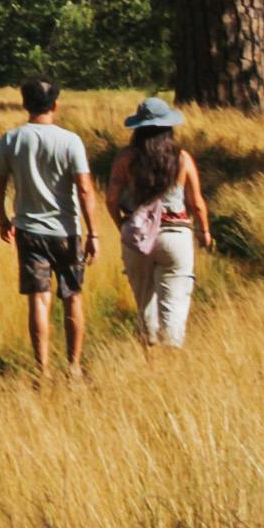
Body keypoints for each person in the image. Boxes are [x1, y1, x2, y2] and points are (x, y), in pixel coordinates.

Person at [0, 76, 96, 377]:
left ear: (25, 104)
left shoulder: (11, 139)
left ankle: (42, 369)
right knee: (72, 295)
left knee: (38, 298)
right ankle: (73, 367)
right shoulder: (71, 141)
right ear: (56, 104)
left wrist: (3, 218)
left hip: (29, 231)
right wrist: (93, 232)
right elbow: (84, 189)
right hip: (67, 231)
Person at [107, 97, 217, 348]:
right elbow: (197, 202)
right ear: (168, 127)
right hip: (176, 235)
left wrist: (122, 226)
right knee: (175, 300)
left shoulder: (126, 159)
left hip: (138, 236)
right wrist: (204, 231)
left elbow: (112, 199)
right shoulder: (182, 158)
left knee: (144, 299)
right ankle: (172, 354)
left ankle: (151, 357)